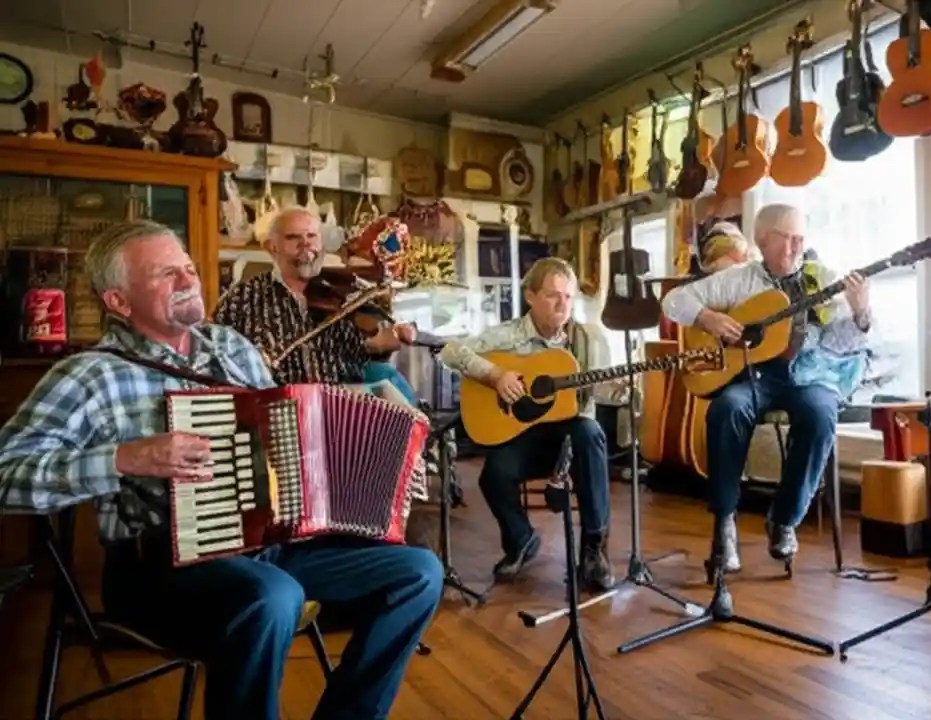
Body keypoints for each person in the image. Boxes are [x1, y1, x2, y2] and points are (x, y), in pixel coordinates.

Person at [0, 220, 445, 720]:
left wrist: (366, 450)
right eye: (166, 274)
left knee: (418, 572)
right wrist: (123, 458)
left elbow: (283, 437)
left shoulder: (230, 347)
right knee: (274, 595)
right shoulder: (89, 375)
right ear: (118, 302)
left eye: (187, 266)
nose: (188, 279)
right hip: (159, 566)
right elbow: (7, 473)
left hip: (271, 546)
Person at [661, 204, 871, 579]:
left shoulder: (820, 278)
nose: (794, 247)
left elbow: (843, 342)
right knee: (727, 408)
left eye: (800, 239)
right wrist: (708, 318)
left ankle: (784, 519)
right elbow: (673, 301)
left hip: (808, 375)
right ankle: (725, 524)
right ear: (762, 240)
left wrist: (860, 313)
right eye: (785, 238)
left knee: (821, 414)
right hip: (755, 375)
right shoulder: (739, 280)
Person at [440, 257, 618, 592]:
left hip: (572, 435)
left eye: (568, 296)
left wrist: (562, 471)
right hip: (525, 435)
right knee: (493, 473)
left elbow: (590, 406)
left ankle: (594, 550)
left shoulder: (587, 341)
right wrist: (495, 375)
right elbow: (451, 352)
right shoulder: (509, 336)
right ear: (531, 297)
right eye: (552, 295)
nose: (562, 304)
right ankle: (521, 539)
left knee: (591, 433)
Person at [213, 207, 419, 402]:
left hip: (344, 410)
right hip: (279, 412)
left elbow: (364, 354)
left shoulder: (343, 294)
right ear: (271, 247)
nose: (306, 244)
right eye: (293, 237)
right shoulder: (242, 299)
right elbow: (219, 362)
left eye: (312, 236)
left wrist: (383, 342)